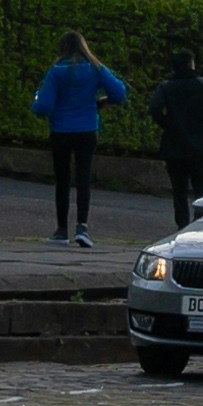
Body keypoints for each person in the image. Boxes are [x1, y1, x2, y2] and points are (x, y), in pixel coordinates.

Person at [32, 30, 130, 246]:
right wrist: (100, 102)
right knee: (84, 178)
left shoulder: (56, 71)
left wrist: (36, 103)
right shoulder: (95, 68)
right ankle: (82, 227)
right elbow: (119, 92)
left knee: (62, 180)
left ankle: (61, 230)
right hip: (87, 128)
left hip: (61, 130)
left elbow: (44, 106)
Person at [147, 50, 203, 227]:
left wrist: (168, 125)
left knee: (179, 191)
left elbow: (154, 108)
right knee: (202, 189)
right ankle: (199, 224)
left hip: (174, 146)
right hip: (201, 146)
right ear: (191, 64)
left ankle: (181, 226)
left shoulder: (166, 87)